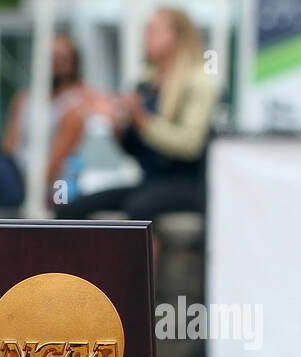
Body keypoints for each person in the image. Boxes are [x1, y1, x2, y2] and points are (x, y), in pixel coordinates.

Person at [56, 6, 216, 221]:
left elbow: (189, 145)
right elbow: (137, 149)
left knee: (140, 208)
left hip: (187, 184)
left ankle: (145, 256)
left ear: (177, 36)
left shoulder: (199, 82)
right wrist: (117, 126)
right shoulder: (145, 80)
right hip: (151, 182)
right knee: (72, 207)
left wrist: (141, 119)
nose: (146, 36)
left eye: (153, 30)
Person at [1, 33, 94, 199]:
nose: (53, 63)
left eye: (59, 58)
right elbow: (9, 147)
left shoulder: (75, 107)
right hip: (14, 179)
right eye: (49, 57)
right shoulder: (23, 100)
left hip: (55, 190)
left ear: (73, 64)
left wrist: (28, 195)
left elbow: (56, 164)